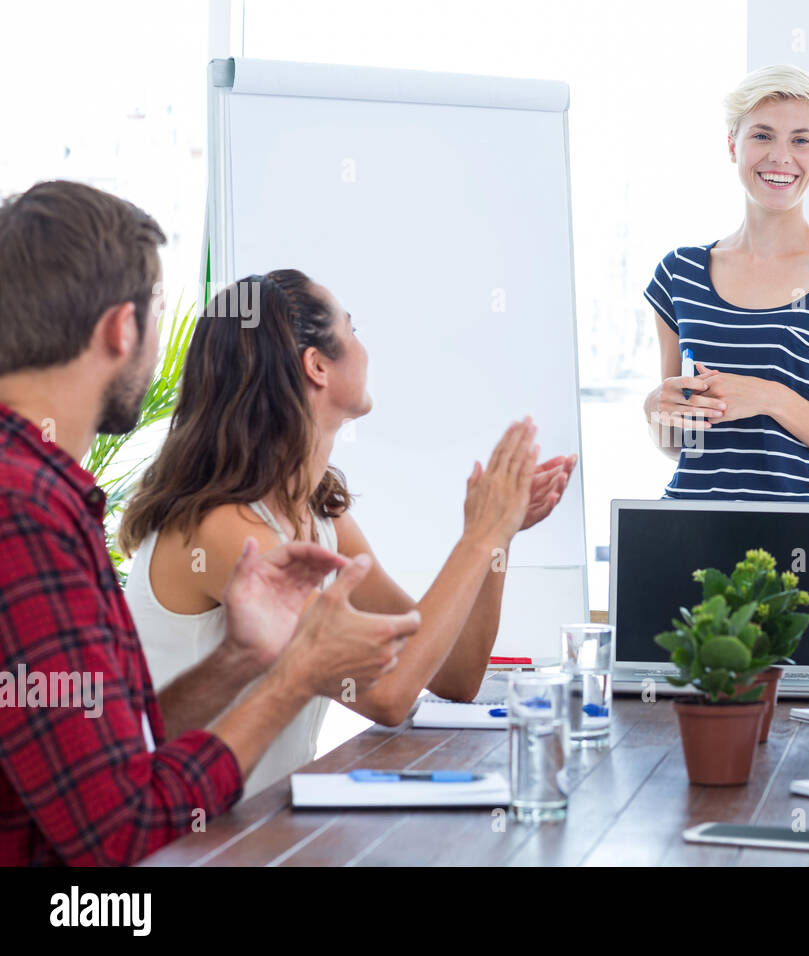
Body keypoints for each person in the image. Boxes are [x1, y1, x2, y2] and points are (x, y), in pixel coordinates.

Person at [0, 180, 419, 865]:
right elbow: (122, 834)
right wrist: (291, 679)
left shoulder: (40, 495)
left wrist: (241, 659)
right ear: (121, 328)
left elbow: (122, 752)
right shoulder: (26, 513)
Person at [118, 271, 576, 797]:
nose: (364, 347)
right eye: (353, 330)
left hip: (261, 831)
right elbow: (387, 696)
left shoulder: (320, 516)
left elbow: (454, 674)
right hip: (192, 841)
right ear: (316, 365)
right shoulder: (224, 528)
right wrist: (479, 536)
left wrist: (499, 537)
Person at [641, 64, 809, 500]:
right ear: (732, 146)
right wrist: (655, 411)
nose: (781, 156)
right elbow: (680, 444)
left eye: (800, 139)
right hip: (687, 532)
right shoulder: (679, 273)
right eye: (762, 135)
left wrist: (771, 398)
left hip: (803, 545)